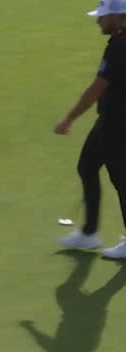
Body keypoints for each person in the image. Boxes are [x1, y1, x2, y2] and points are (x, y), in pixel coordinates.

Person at [57, 0, 126, 258]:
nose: (98, 21)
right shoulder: (118, 41)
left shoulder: (120, 47)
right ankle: (89, 233)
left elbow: (96, 89)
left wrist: (69, 119)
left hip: (118, 126)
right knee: (87, 166)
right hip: (108, 122)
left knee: (122, 182)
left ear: (120, 16)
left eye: (103, 16)